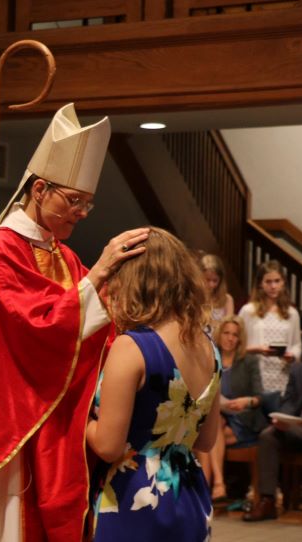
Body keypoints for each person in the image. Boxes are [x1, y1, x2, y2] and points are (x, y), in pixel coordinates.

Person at [0, 102, 150, 541]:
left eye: (87, 204)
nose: (80, 212)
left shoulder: (63, 254)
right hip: (3, 422)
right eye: (74, 201)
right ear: (39, 190)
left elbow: (95, 328)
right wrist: (99, 274)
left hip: (46, 419)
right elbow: (37, 327)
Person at [87, 228, 221, 542]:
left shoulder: (132, 346)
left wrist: (75, 417)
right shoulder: (210, 348)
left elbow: (108, 446)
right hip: (188, 493)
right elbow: (206, 440)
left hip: (135, 496)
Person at [197, 315, 267, 501]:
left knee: (204, 438)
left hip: (243, 418)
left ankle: (206, 488)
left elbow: (261, 396)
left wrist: (247, 401)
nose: (230, 338)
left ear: (240, 339)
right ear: (219, 336)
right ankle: (217, 485)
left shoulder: (249, 361)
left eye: (235, 335)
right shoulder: (211, 359)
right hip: (217, 418)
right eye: (226, 333)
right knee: (211, 426)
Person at [243, 357, 302, 522]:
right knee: (269, 436)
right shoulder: (300, 370)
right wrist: (283, 418)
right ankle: (268, 501)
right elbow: (289, 402)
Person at [238, 260, 301, 404]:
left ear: (283, 282)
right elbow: (237, 345)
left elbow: (297, 344)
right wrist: (257, 349)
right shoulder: (248, 311)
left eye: (277, 281)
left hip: (282, 375)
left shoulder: (292, 313)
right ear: (260, 283)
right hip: (256, 375)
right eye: (268, 282)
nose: (273, 286)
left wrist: (291, 355)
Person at [200, 253, 234, 329]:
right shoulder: (194, 297)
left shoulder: (227, 299)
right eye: (207, 280)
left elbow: (228, 327)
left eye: (215, 280)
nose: (211, 285)